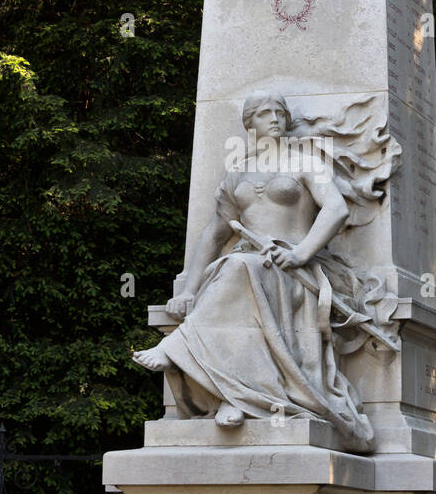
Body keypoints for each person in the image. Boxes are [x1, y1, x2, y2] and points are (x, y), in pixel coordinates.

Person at [133, 91, 378, 453]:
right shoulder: (238, 174)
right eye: (264, 114)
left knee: (239, 267)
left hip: (298, 270)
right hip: (250, 266)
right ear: (250, 124)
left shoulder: (304, 164)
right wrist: (187, 289)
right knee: (238, 266)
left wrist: (300, 252)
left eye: (280, 112)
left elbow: (336, 210)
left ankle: (181, 351)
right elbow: (215, 234)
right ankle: (237, 397)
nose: (275, 119)